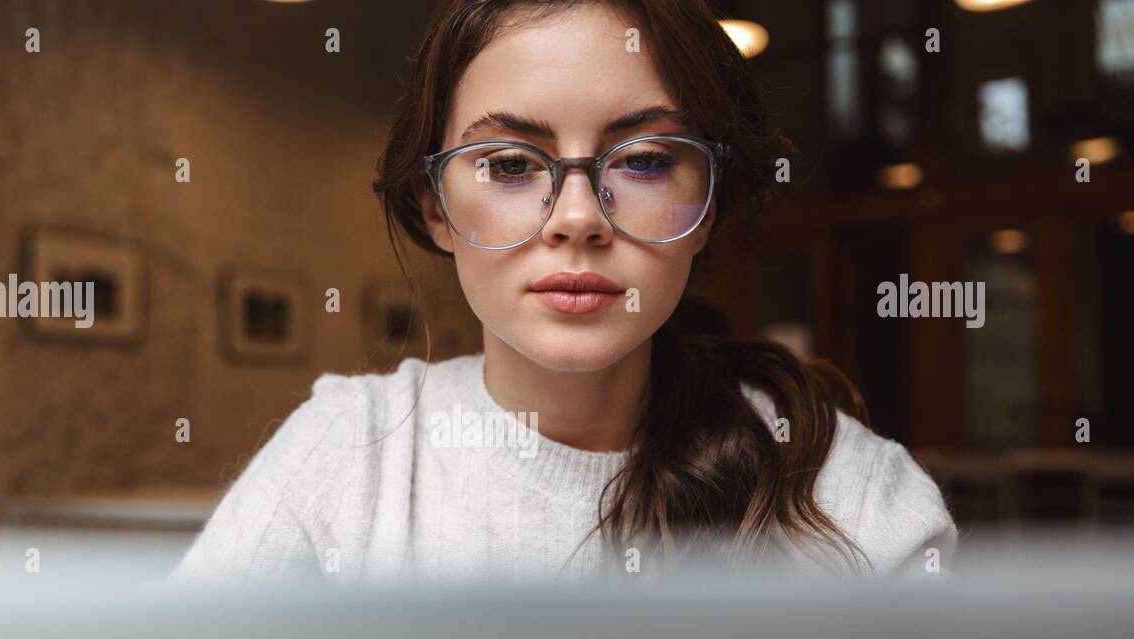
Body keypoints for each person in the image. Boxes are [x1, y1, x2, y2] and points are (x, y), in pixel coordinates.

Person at [172, 0, 958, 586]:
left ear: (708, 206)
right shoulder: (350, 455)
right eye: (510, 165)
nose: (577, 218)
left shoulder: (851, 497)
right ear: (433, 208)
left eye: (644, 160)